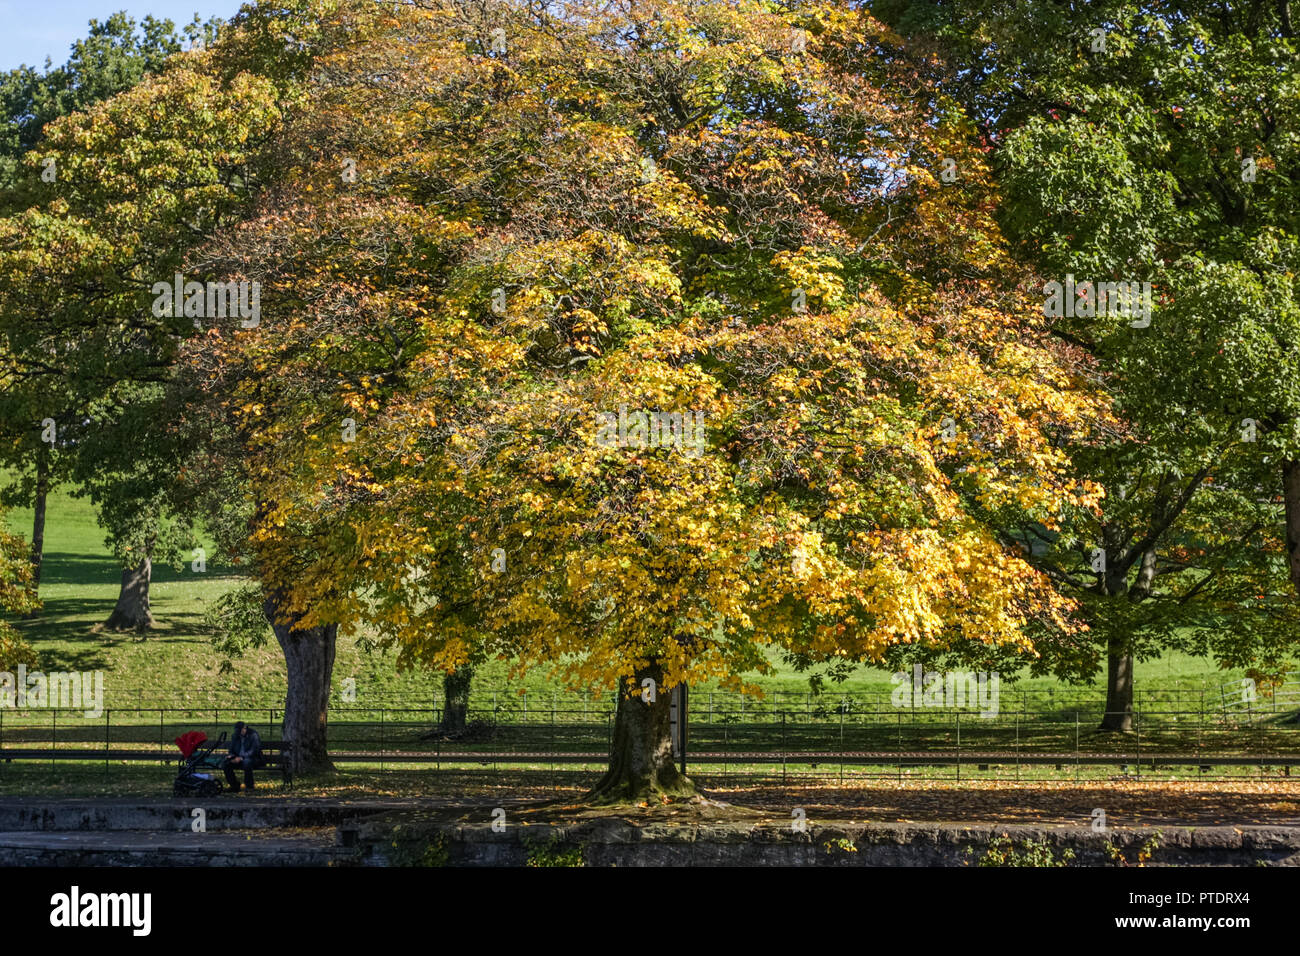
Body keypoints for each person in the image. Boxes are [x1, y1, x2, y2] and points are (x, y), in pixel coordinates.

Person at [223, 721, 264, 792]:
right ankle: (234, 786)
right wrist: (231, 756)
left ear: (244, 728)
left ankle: (249, 786)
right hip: (238, 758)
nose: (239, 733)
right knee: (226, 764)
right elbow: (231, 749)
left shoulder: (253, 735)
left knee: (246, 763)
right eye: (237, 731)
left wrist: (241, 758)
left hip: (254, 758)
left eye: (240, 731)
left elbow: (254, 750)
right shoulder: (235, 736)